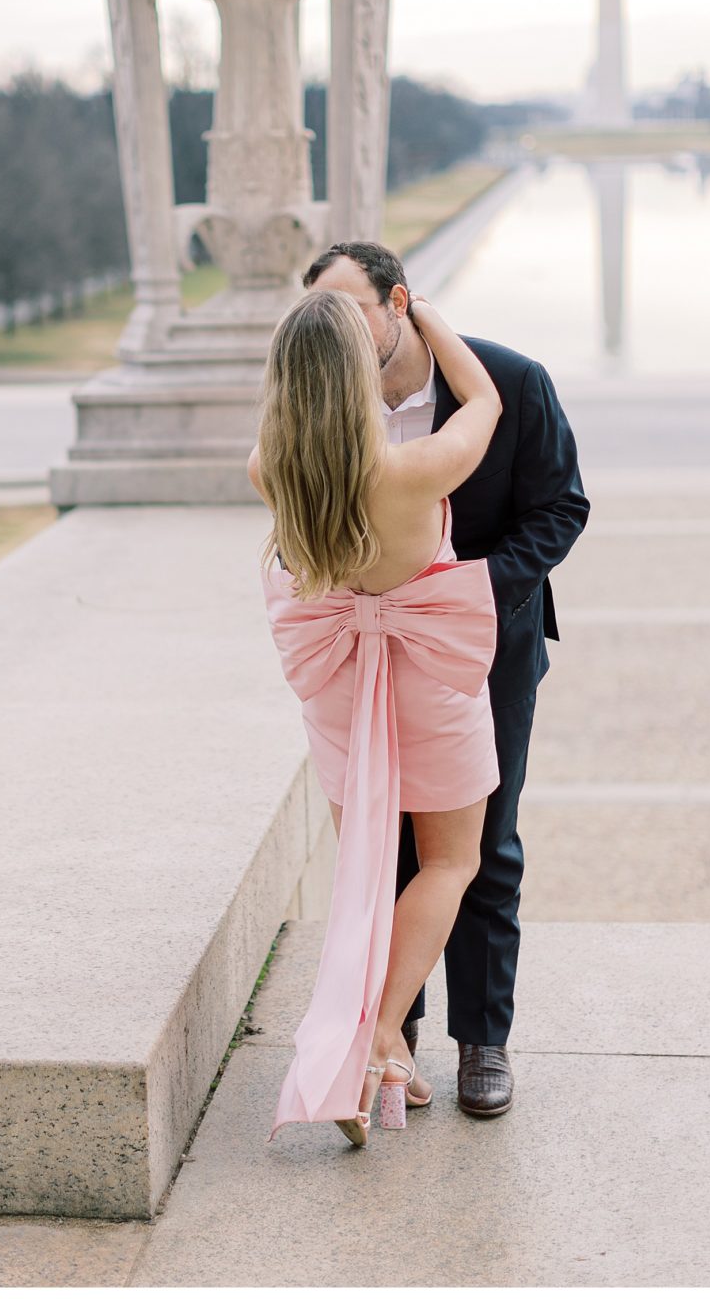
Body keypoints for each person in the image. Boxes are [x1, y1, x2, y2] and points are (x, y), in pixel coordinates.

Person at [303, 241, 590, 1120]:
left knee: (484, 846)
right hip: (366, 654)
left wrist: (471, 597)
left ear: (398, 303)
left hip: (484, 648)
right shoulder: (321, 395)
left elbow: (560, 509)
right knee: (384, 851)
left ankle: (483, 1040)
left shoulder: (508, 377)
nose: (335, 332)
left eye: (351, 310)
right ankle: (397, 1030)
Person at [250, 284, 504, 1145]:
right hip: (422, 677)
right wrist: (425, 315)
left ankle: (372, 1048)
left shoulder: (267, 470)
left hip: (336, 679)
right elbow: (486, 401)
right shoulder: (413, 467)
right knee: (449, 860)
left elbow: (290, 438)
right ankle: (378, 1037)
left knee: (365, 868)